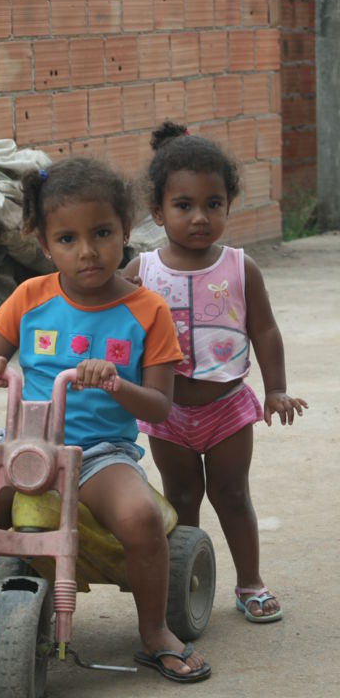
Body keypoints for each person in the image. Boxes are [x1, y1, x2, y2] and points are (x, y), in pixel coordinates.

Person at [0, 156, 210, 683]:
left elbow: (161, 406)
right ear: (45, 244)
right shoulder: (30, 298)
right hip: (27, 442)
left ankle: (154, 633)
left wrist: (118, 384)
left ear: (126, 230)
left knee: (142, 521)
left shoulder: (148, 311)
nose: (88, 251)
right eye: (68, 239)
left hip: (100, 453)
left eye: (101, 233)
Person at [123, 122, 308, 624]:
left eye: (214, 204)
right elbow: (111, 328)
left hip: (227, 406)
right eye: (184, 206)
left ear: (230, 204)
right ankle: (187, 586)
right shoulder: (141, 273)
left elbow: (265, 331)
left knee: (232, 495)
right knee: (181, 500)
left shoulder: (240, 267)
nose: (200, 217)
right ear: (158, 211)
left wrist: (276, 390)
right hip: (167, 411)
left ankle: (250, 583)